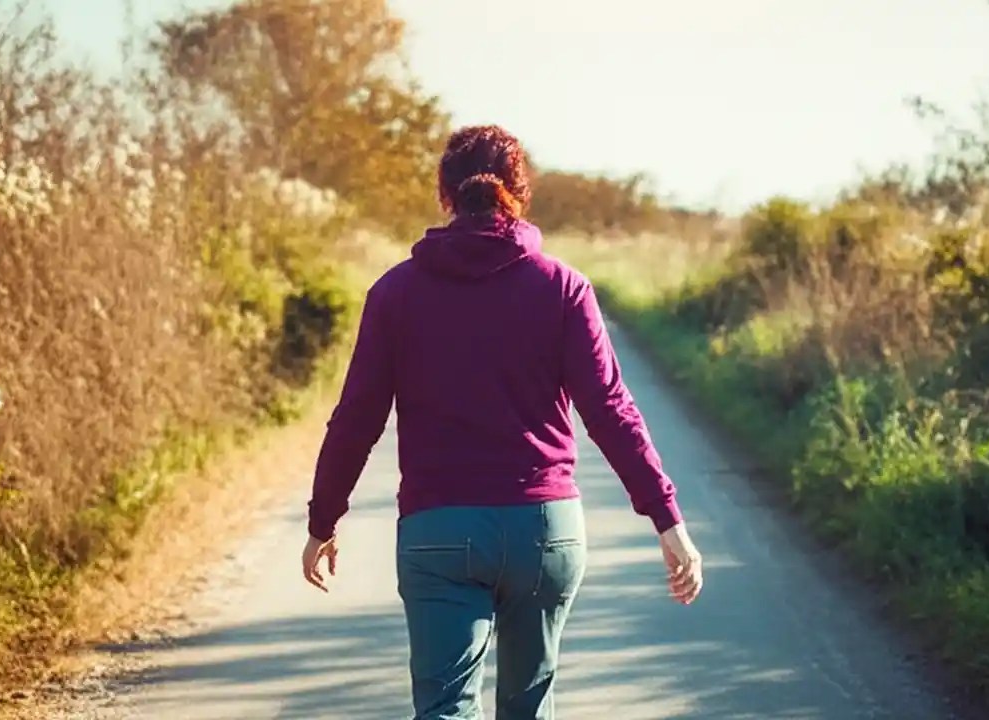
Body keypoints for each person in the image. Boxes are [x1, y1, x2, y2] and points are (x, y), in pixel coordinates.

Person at [301, 124, 703, 720]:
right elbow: (610, 409)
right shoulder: (564, 288)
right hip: (544, 530)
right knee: (528, 709)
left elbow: (356, 418)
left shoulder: (395, 293)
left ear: (446, 194)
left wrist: (323, 519)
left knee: (444, 709)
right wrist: (668, 520)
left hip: (438, 529)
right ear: (520, 193)